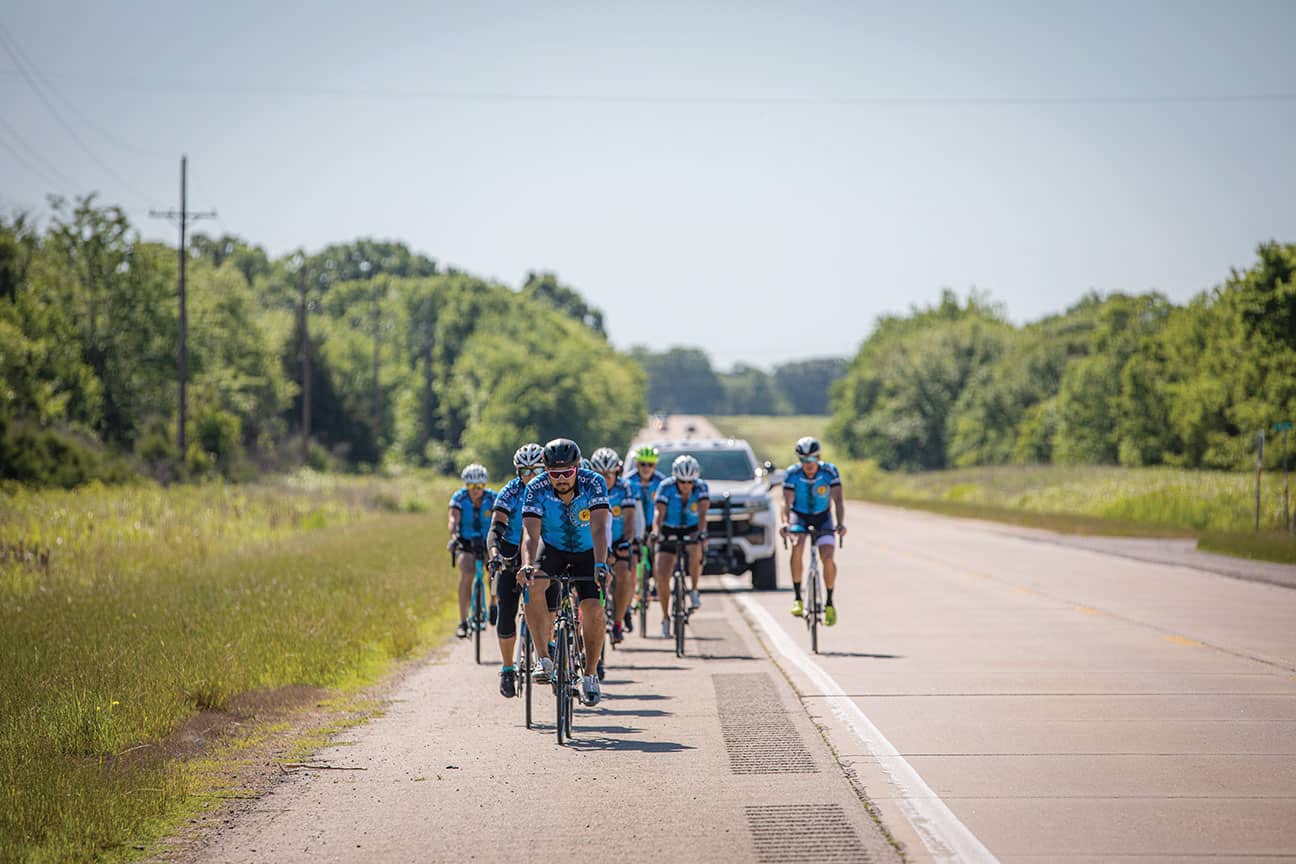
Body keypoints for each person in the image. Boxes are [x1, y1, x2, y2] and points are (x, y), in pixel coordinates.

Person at [518, 439, 611, 707]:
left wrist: (601, 564)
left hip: (587, 551)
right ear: (545, 471)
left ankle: (591, 675)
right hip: (554, 549)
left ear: (577, 468)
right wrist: (527, 564)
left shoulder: (593, 483)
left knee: (593, 609)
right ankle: (544, 657)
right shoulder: (536, 487)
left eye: (567, 473)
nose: (560, 479)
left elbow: (599, 528)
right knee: (533, 585)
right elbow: (531, 533)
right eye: (554, 474)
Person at [486, 443, 545, 698]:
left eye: (536, 470)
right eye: (525, 471)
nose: (530, 476)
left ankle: (550, 646)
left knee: (550, 601)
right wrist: (495, 555)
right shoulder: (509, 492)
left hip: (542, 549)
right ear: (517, 472)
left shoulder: (550, 489)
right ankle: (508, 668)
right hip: (511, 551)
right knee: (506, 613)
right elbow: (495, 528)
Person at [779, 436, 846, 625]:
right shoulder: (792, 474)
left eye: (812, 459)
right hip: (799, 515)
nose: (808, 464)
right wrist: (785, 523)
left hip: (823, 517)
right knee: (797, 545)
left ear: (819, 457)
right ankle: (798, 598)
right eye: (804, 460)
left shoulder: (830, 472)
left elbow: (838, 501)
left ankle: (830, 602)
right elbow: (785, 502)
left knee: (827, 556)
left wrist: (840, 524)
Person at [651, 454, 709, 637]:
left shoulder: (701, 487)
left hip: (691, 527)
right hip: (669, 527)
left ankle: (694, 590)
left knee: (695, 548)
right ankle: (665, 617)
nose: (686, 486)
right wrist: (656, 532)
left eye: (690, 482)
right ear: (676, 479)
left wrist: (701, 533)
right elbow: (658, 515)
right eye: (682, 482)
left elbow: (702, 515)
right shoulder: (666, 487)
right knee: (661, 574)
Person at [590, 447, 635, 649]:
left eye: (609, 474)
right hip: (595, 541)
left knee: (624, 573)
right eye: (600, 474)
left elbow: (630, 518)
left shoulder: (624, 487)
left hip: (617, 540)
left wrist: (626, 541)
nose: (605, 478)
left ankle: (617, 622)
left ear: (617, 472)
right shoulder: (588, 487)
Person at [447, 463, 497, 639]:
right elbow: (453, 519)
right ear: (465, 485)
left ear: (484, 484)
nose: (475, 490)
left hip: (488, 542)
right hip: (466, 542)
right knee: (467, 574)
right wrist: (453, 537)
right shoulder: (459, 498)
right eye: (471, 486)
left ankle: (493, 603)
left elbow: (501, 517)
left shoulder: (492, 498)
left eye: (479, 486)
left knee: (494, 571)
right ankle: (463, 621)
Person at [626, 445, 667, 628]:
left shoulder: (662, 482)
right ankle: (634, 591)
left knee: (656, 557)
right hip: (634, 525)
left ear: (655, 465)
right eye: (642, 464)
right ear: (637, 463)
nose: (646, 468)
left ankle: (656, 585)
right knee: (633, 560)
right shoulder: (628, 481)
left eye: (650, 464)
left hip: (654, 524)